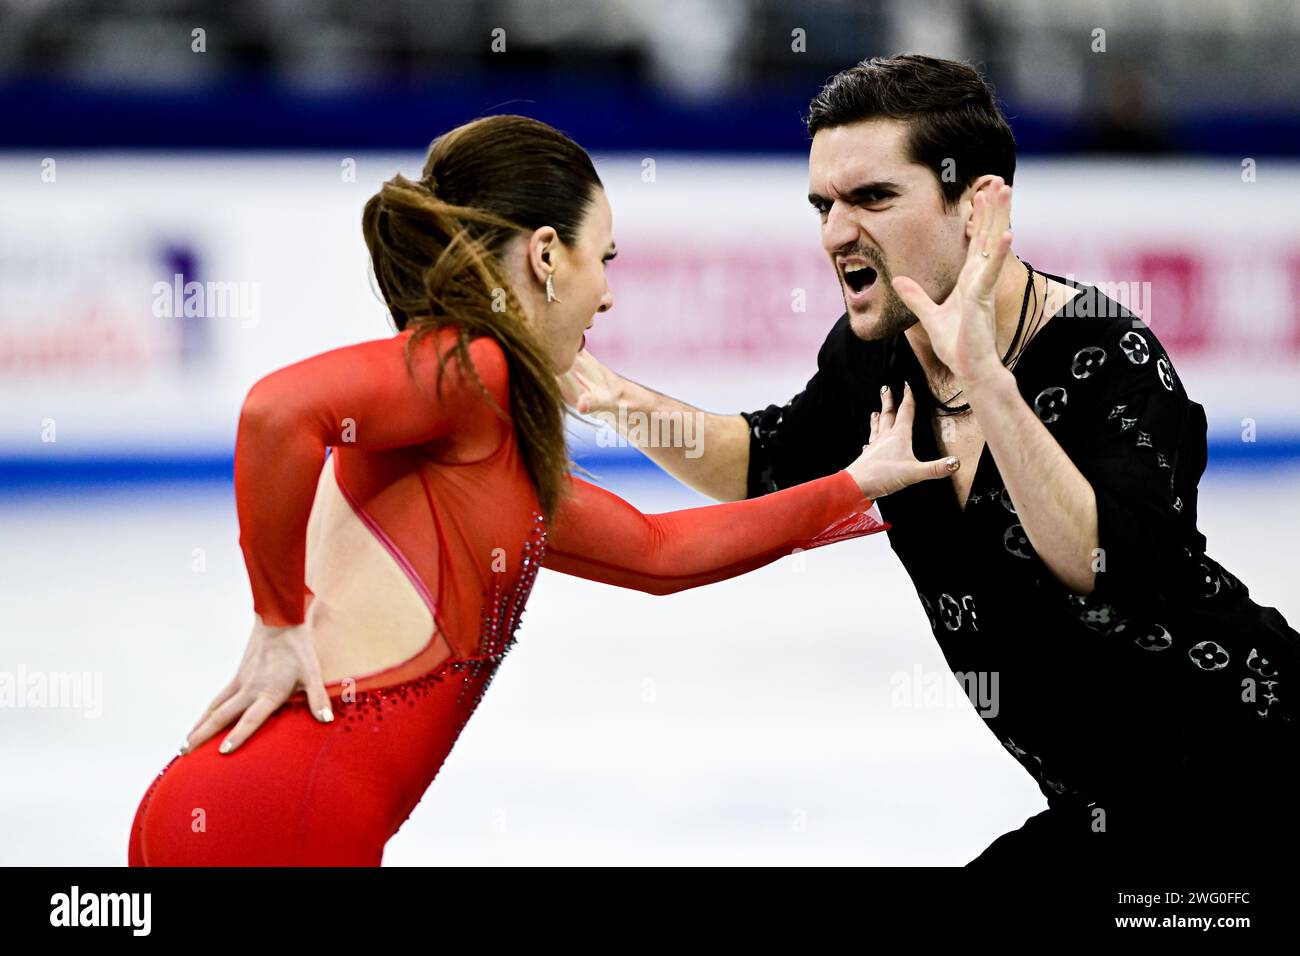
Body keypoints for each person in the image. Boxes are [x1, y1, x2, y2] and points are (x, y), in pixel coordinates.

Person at [126, 114, 958, 866]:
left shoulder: (491, 438)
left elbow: (661, 553)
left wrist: (856, 482)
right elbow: (278, 412)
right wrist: (276, 620)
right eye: (605, 260)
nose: (608, 291)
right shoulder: (469, 365)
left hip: (248, 811)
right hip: (281, 822)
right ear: (547, 254)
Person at [560, 55, 1300, 869]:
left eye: (874, 197)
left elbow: (1099, 562)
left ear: (977, 205)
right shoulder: (874, 358)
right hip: (1109, 813)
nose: (837, 231)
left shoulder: (1105, 352)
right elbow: (760, 463)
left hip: (1255, 781)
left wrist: (983, 374)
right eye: (823, 205)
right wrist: (615, 399)